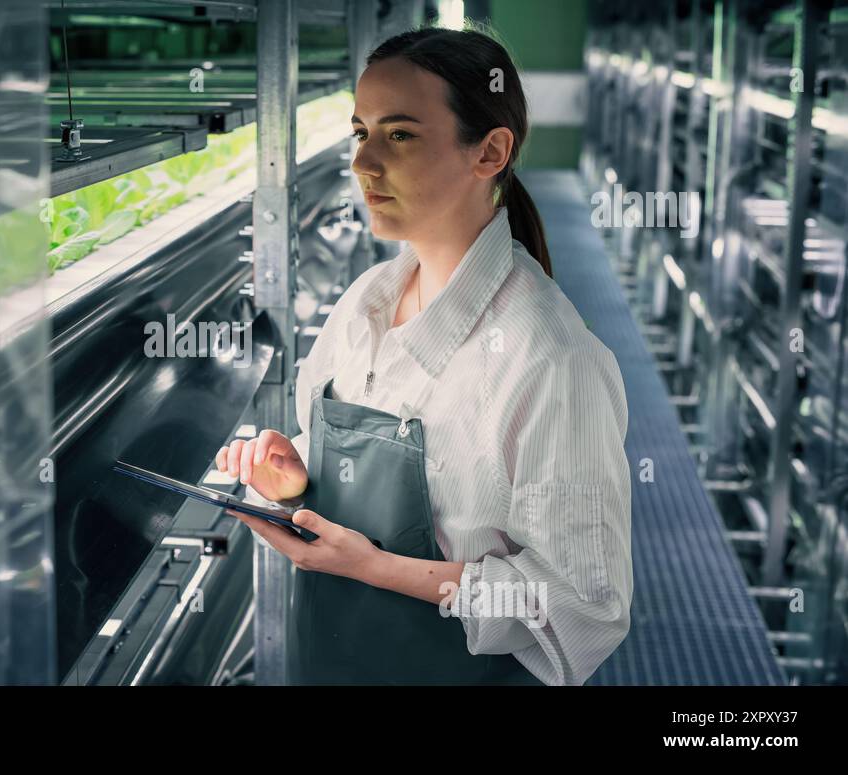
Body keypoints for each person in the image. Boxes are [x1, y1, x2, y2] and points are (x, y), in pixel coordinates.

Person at [214, 26, 632, 686]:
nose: (362, 162)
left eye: (399, 134)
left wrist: (378, 568)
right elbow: (338, 452)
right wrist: (297, 472)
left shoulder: (551, 361)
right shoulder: (364, 306)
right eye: (360, 132)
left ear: (489, 151)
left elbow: (584, 606)